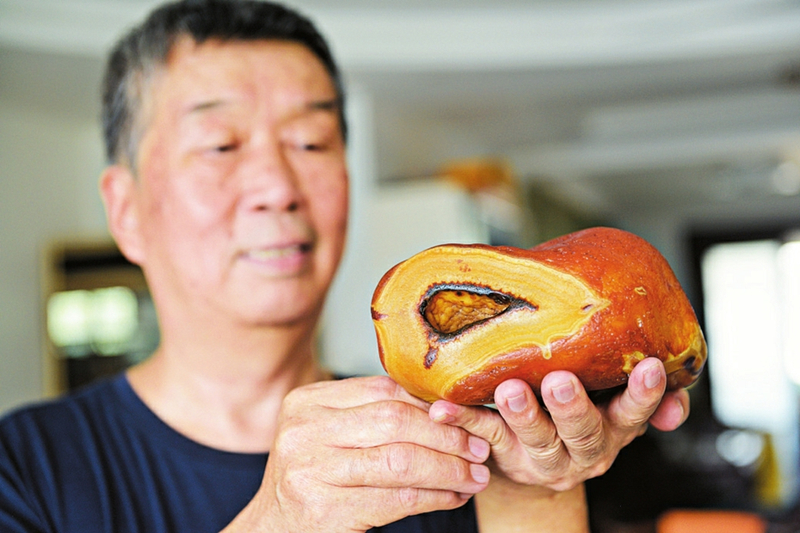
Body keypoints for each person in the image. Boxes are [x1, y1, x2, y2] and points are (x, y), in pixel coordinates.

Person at [0, 1, 690, 531]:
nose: (278, 184)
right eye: (220, 145)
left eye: (311, 140)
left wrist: (539, 480)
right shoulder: (24, 468)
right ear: (125, 209)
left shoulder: (460, 437)